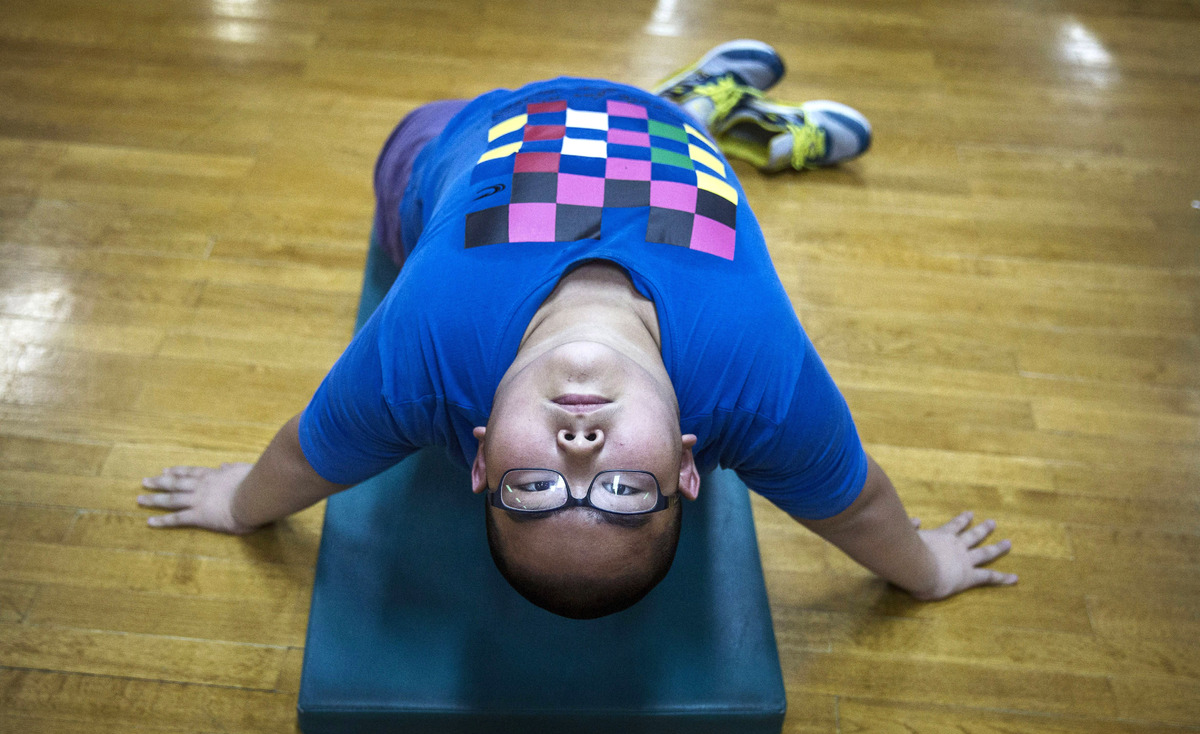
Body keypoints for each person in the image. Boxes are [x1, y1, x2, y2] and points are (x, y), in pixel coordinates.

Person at [138, 41, 1017, 619]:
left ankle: (702, 105)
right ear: (683, 461)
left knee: (406, 142)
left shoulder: (420, 359)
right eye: (626, 493)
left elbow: (307, 454)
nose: (581, 451)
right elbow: (856, 504)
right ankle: (702, 108)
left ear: (480, 458)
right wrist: (929, 570)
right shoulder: (763, 390)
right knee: (671, 129)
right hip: (664, 139)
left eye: (533, 488)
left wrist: (236, 504)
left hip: (484, 126)